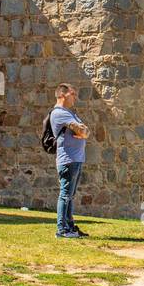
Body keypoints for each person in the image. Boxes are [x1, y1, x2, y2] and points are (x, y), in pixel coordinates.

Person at [49, 83, 90, 239]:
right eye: (73, 93)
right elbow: (83, 131)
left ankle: (70, 226)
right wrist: (83, 131)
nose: (75, 97)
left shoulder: (70, 114)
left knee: (70, 195)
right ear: (63, 94)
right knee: (65, 195)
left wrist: (83, 132)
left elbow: (86, 131)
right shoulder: (59, 113)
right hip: (68, 160)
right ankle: (62, 229)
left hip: (76, 158)